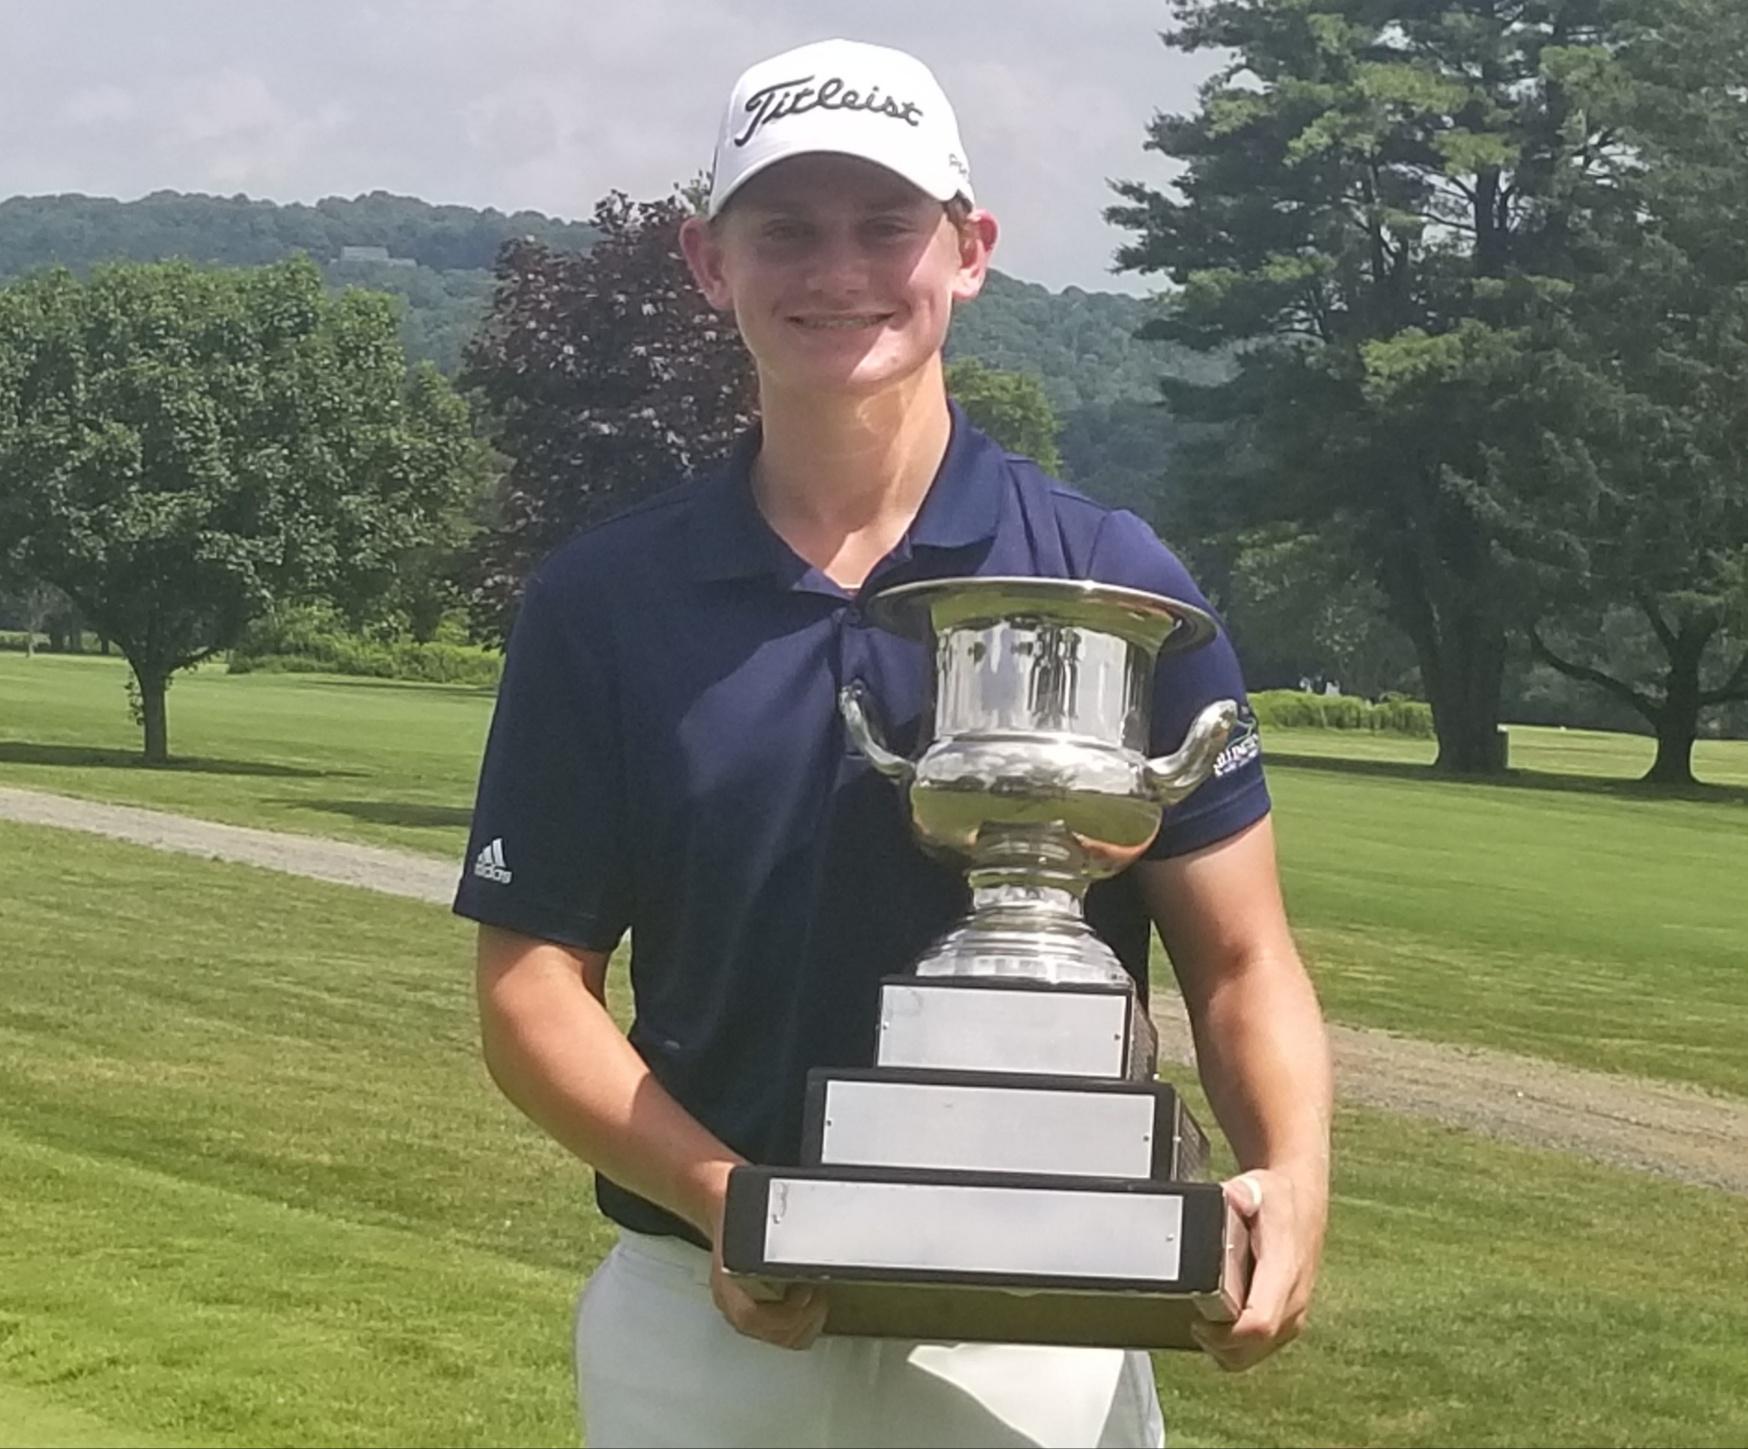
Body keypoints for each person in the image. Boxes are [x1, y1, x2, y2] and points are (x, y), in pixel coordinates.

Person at [455, 36, 1331, 1449]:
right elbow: (529, 987)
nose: (840, 270)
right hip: (704, 1318)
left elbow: (1241, 957)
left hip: (1045, 1322)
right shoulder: (605, 603)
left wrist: (1293, 1173)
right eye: (784, 229)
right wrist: (726, 1194)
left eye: (887, 224)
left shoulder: (1110, 578)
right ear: (706, 261)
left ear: (970, 249)